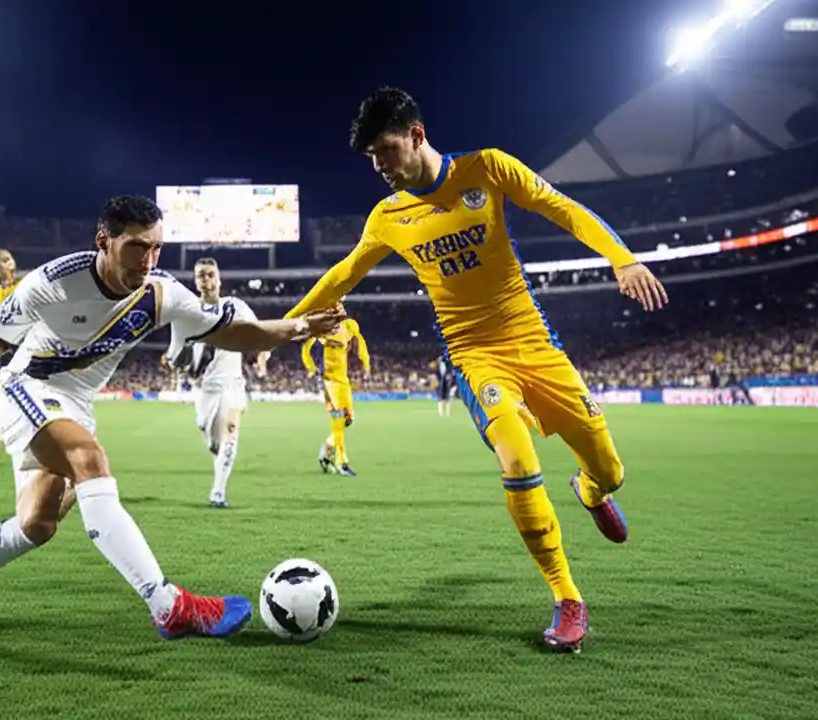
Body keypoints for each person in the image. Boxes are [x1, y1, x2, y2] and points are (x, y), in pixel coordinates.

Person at [283, 87, 668, 653]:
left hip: (535, 343)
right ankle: (567, 597)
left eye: (385, 151)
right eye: (371, 158)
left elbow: (561, 207)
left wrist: (622, 257)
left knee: (610, 468)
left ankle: (591, 491)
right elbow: (343, 275)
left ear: (416, 135)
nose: (380, 167)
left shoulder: (486, 169)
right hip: (472, 353)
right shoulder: (388, 218)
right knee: (516, 458)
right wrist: (282, 326)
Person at [0, 195, 344, 644]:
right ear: (103, 241)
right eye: (136, 248)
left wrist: (300, 326)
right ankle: (168, 605)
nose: (148, 260)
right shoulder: (55, 282)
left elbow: (232, 333)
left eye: (156, 248)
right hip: (26, 388)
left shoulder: (160, 293)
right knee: (89, 458)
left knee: (35, 526)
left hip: (76, 404)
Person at [163, 257, 264, 508]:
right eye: (201, 276)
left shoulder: (235, 307)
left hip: (232, 383)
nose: (206, 280)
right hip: (205, 390)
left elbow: (260, 333)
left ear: (219, 279)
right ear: (195, 281)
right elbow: (175, 357)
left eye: (210, 275)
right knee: (215, 444)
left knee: (231, 429)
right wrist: (181, 364)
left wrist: (262, 356)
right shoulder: (187, 314)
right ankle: (217, 453)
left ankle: (217, 493)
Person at [300, 311, 371, 476]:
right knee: (338, 424)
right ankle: (342, 463)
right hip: (330, 382)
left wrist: (365, 361)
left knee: (348, 420)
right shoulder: (323, 330)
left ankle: (326, 452)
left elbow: (360, 341)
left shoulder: (349, 326)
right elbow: (307, 346)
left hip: (343, 382)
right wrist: (311, 368)